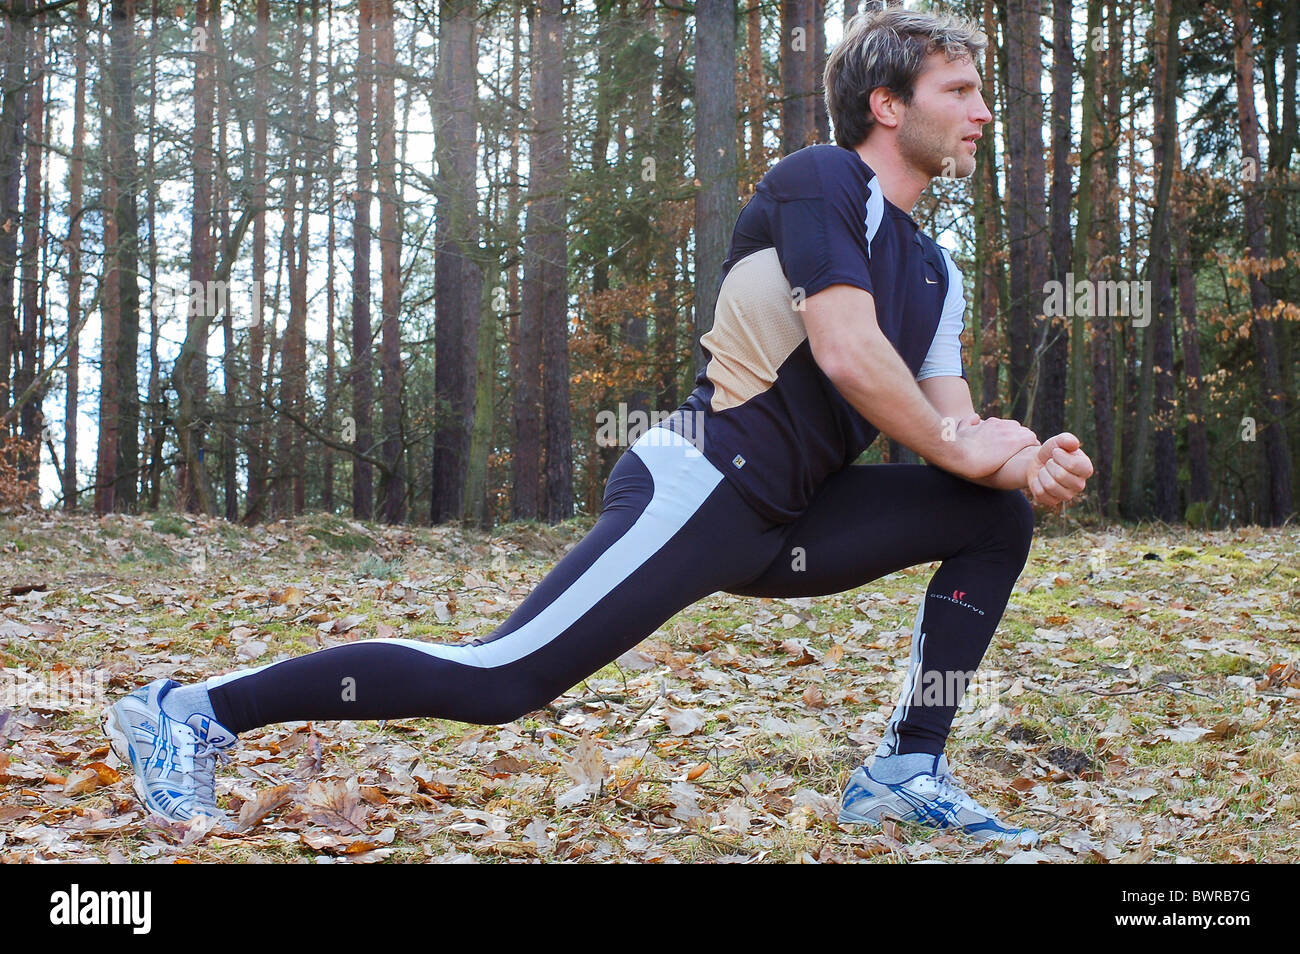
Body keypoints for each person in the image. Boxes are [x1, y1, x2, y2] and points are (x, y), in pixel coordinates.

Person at [103, 5, 1093, 845]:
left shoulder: (937, 270)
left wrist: (1021, 467)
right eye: (958, 90)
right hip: (705, 485)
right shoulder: (818, 181)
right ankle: (187, 713)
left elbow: (948, 423)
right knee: (500, 679)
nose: (978, 110)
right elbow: (845, 352)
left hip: (795, 516)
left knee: (990, 521)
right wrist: (970, 447)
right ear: (888, 105)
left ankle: (902, 772)